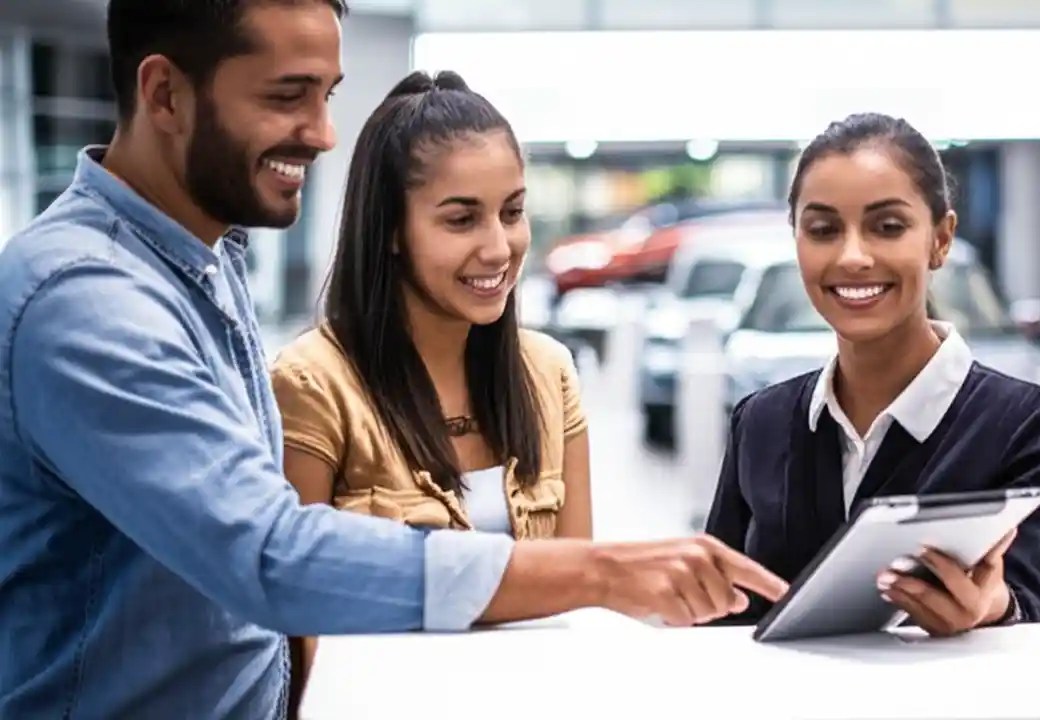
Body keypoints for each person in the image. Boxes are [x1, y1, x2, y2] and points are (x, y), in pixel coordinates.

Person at [0, 1, 787, 717]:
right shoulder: (87, 298)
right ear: (165, 94)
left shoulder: (204, 263)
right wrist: (599, 571)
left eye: (327, 95)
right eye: (286, 95)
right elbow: (270, 557)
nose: (322, 133)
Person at [270, 69, 595, 695]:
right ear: (392, 229)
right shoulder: (312, 385)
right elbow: (297, 633)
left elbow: (579, 589)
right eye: (461, 219)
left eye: (513, 212)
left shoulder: (548, 373)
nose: (499, 248)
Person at [704, 112, 1040, 636]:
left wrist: (995, 607)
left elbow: (1037, 610)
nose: (853, 256)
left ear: (940, 239)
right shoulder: (761, 421)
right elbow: (720, 621)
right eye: (823, 229)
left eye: (888, 227)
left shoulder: (1025, 423)